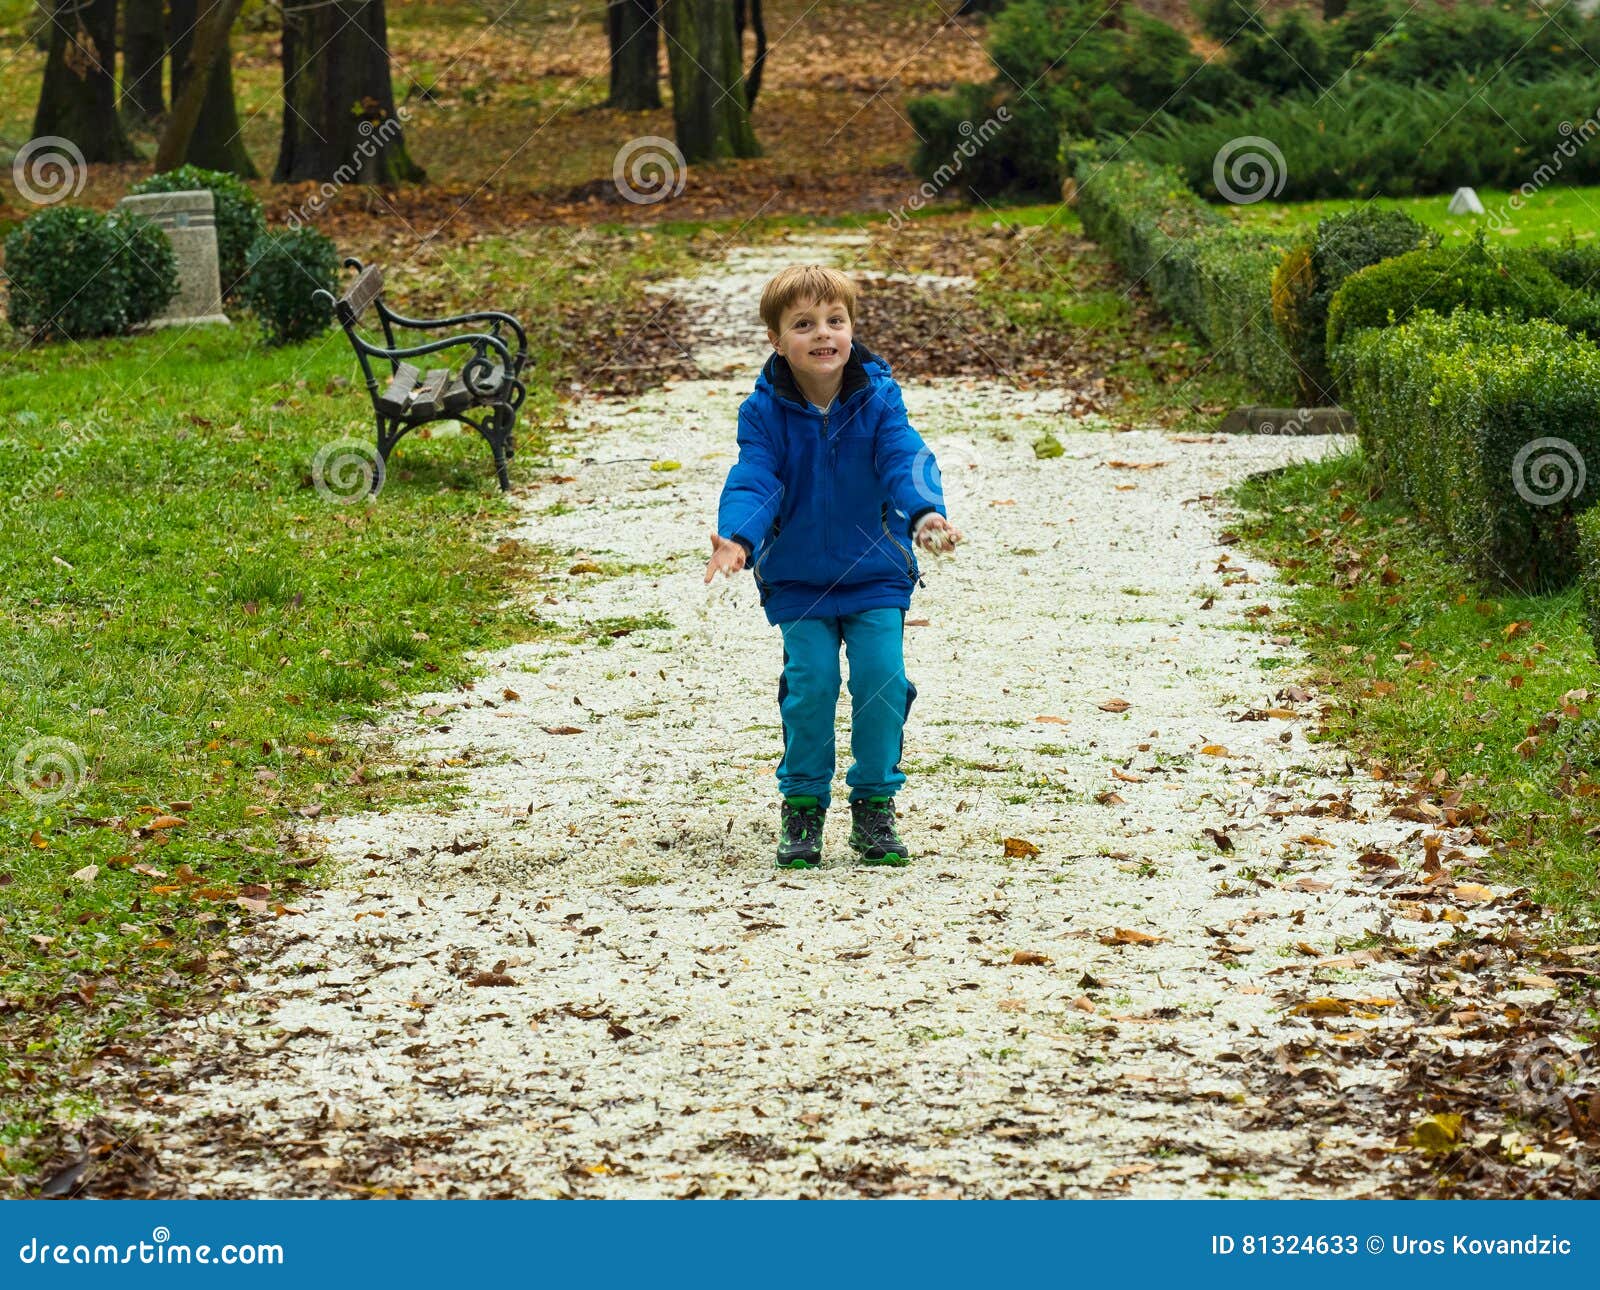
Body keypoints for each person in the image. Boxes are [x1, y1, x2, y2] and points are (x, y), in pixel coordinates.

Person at [703, 264, 964, 869]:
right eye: (804, 324)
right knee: (812, 684)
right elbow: (755, 478)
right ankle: (803, 805)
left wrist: (925, 514)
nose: (823, 334)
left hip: (875, 571)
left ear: (851, 328)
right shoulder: (763, 412)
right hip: (799, 579)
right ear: (776, 340)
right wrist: (738, 538)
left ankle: (874, 804)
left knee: (882, 682)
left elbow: (906, 456)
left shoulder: (878, 399)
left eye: (835, 321)